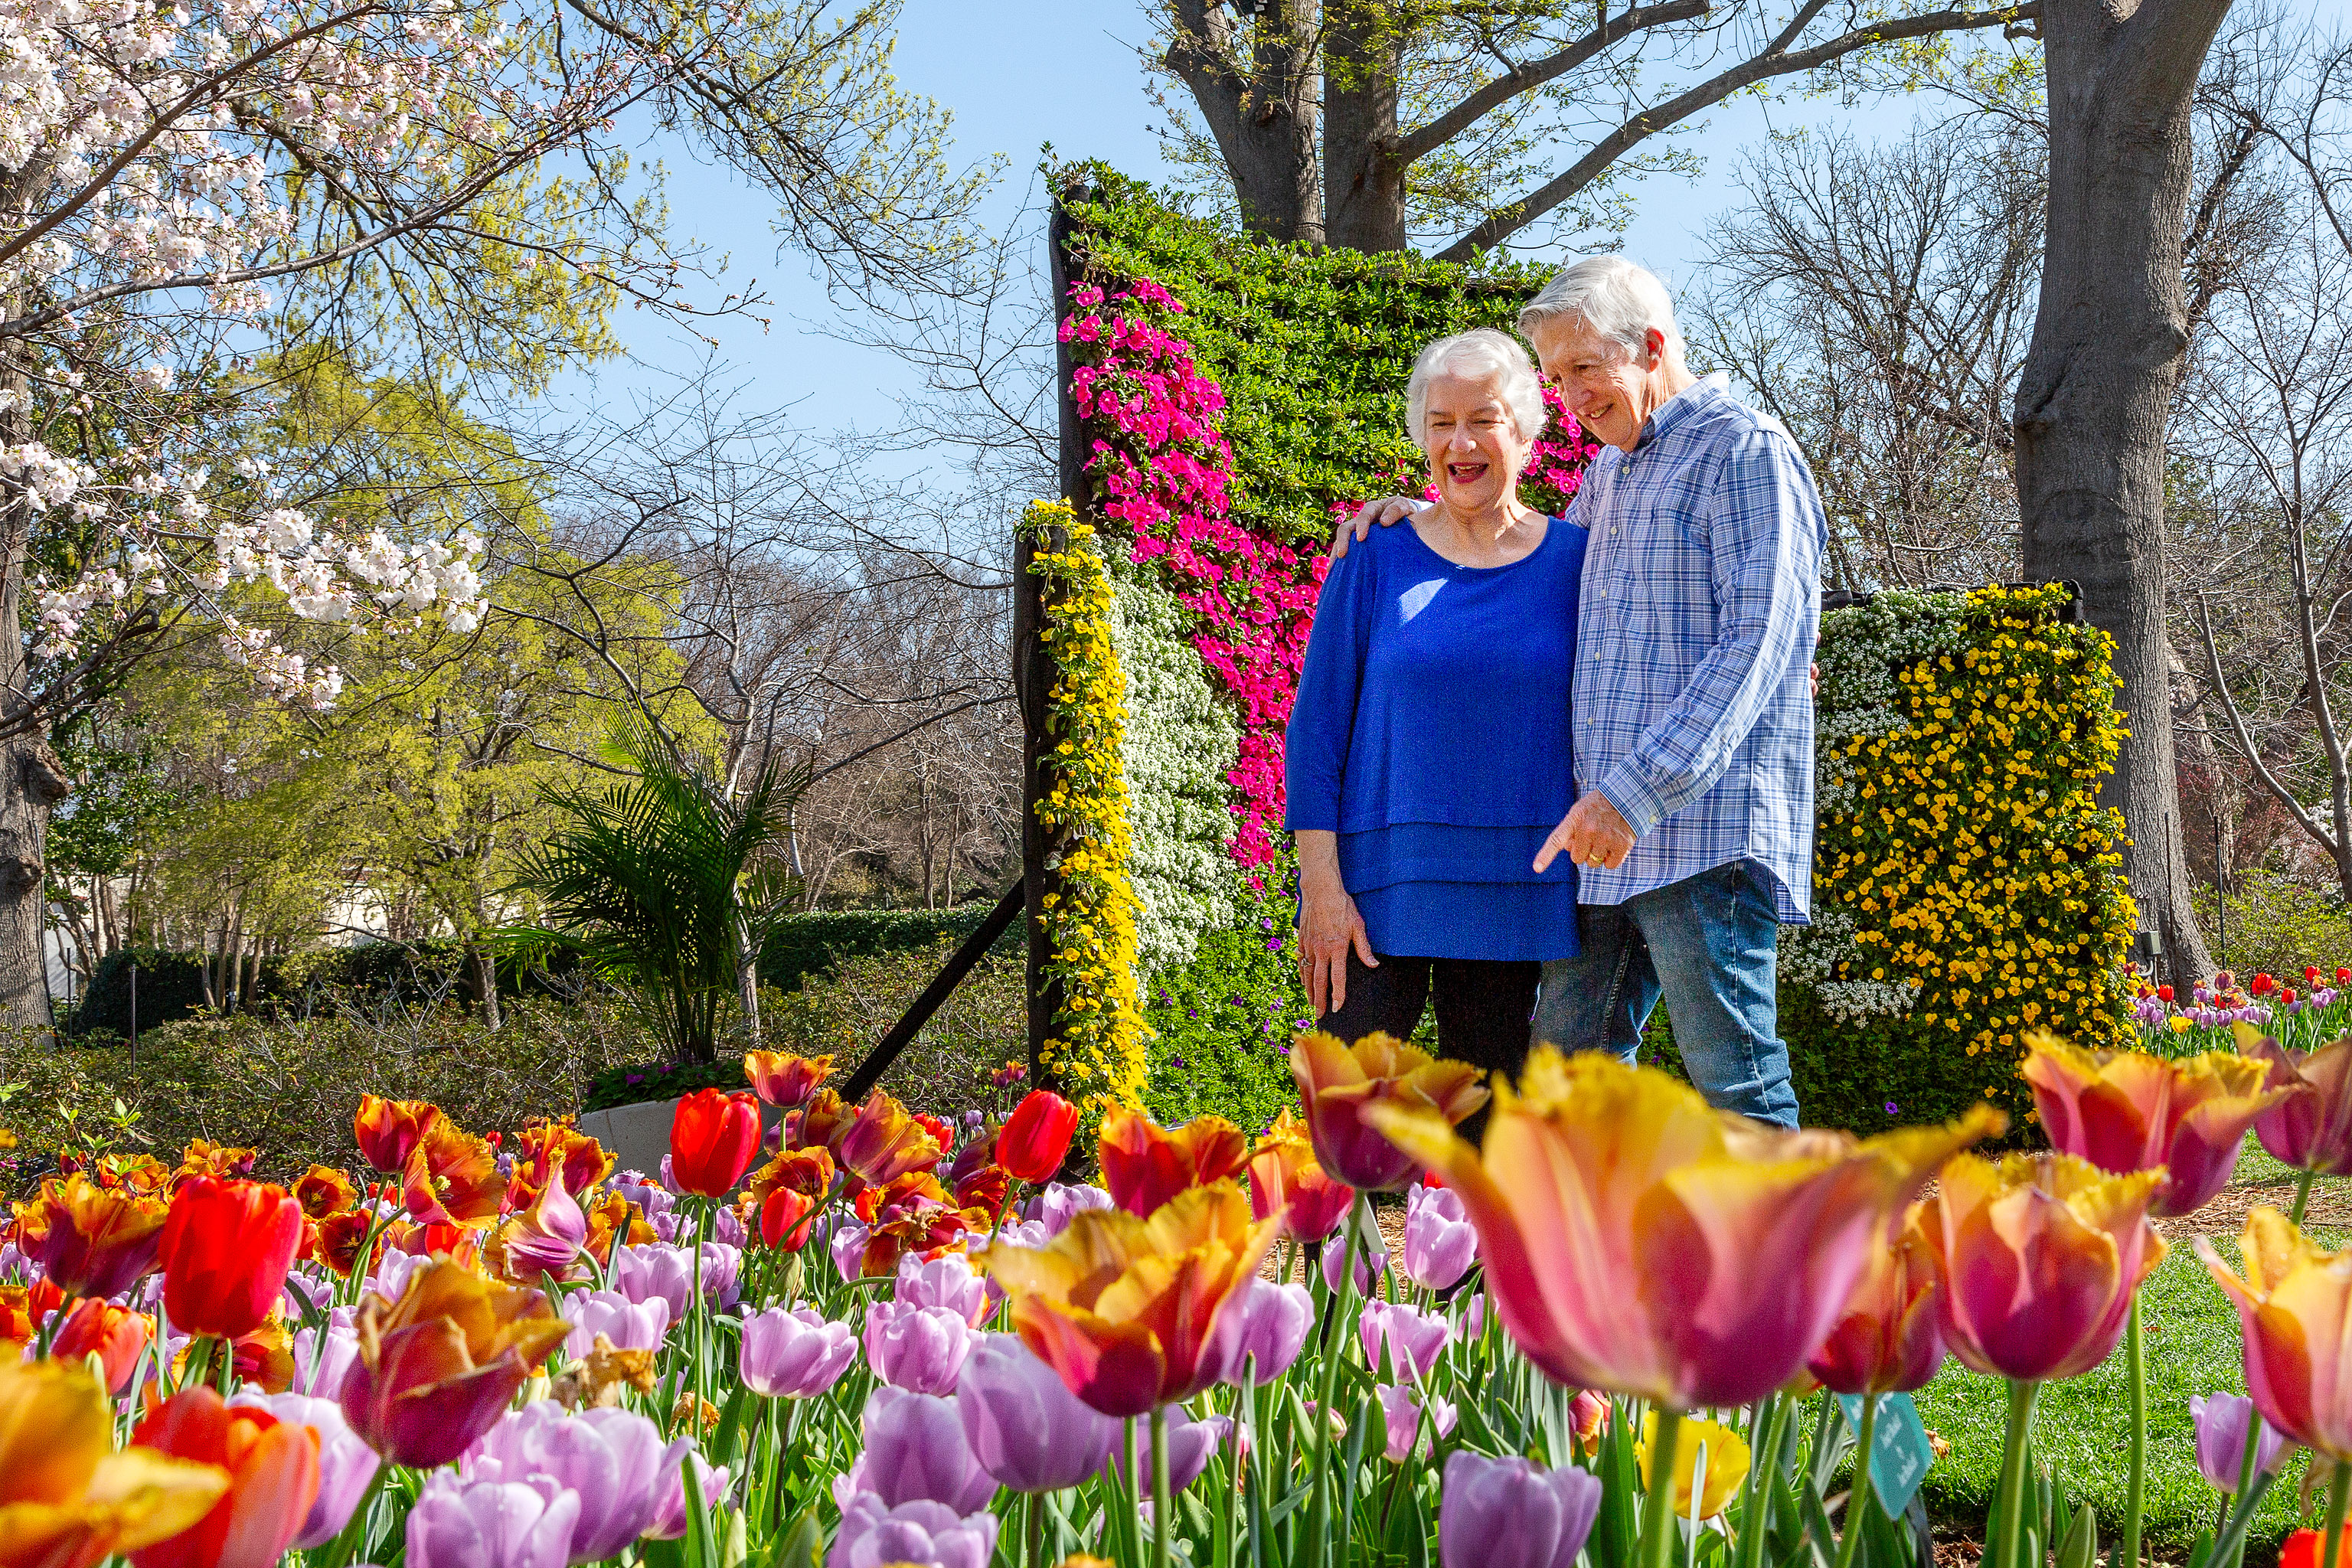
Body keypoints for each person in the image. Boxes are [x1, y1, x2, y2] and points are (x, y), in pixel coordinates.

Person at [1333, 257, 1823, 1127]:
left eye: (1583, 368)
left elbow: (1760, 642)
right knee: (1558, 1077)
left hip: (1699, 831)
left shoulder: (1745, 450)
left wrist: (1632, 796)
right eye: (1557, 377)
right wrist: (1428, 513)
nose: (1571, 396)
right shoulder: (1611, 474)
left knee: (1734, 1076)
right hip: (1601, 843)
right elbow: (1522, 570)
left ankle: (1799, 1266)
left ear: (1654, 347)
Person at [1285, 327, 1583, 1086]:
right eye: (1441, 422)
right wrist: (1320, 886)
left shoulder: (1577, 561)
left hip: (1513, 889)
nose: (1462, 441)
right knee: (1350, 1136)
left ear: (1524, 433)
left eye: (1483, 418)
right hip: (1375, 888)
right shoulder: (1374, 553)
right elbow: (1317, 730)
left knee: (1484, 1148)